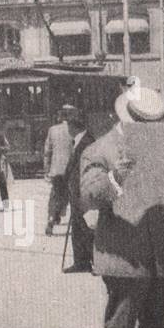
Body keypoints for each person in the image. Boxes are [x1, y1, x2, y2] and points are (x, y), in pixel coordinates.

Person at [79, 86, 164, 328]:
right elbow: (89, 197)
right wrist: (116, 177)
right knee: (121, 324)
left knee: (157, 326)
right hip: (124, 257)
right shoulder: (100, 150)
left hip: (160, 257)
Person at [60, 108, 96, 274]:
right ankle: (81, 261)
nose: (67, 129)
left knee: (87, 226)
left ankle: (96, 261)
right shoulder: (79, 141)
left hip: (83, 190)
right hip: (76, 191)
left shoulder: (87, 141)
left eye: (68, 125)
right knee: (78, 225)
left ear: (74, 127)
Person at [42, 106, 76, 235]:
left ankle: (51, 220)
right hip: (71, 170)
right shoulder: (75, 130)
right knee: (73, 195)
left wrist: (47, 170)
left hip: (56, 169)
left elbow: (47, 152)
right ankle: (75, 224)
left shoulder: (53, 130)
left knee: (55, 195)